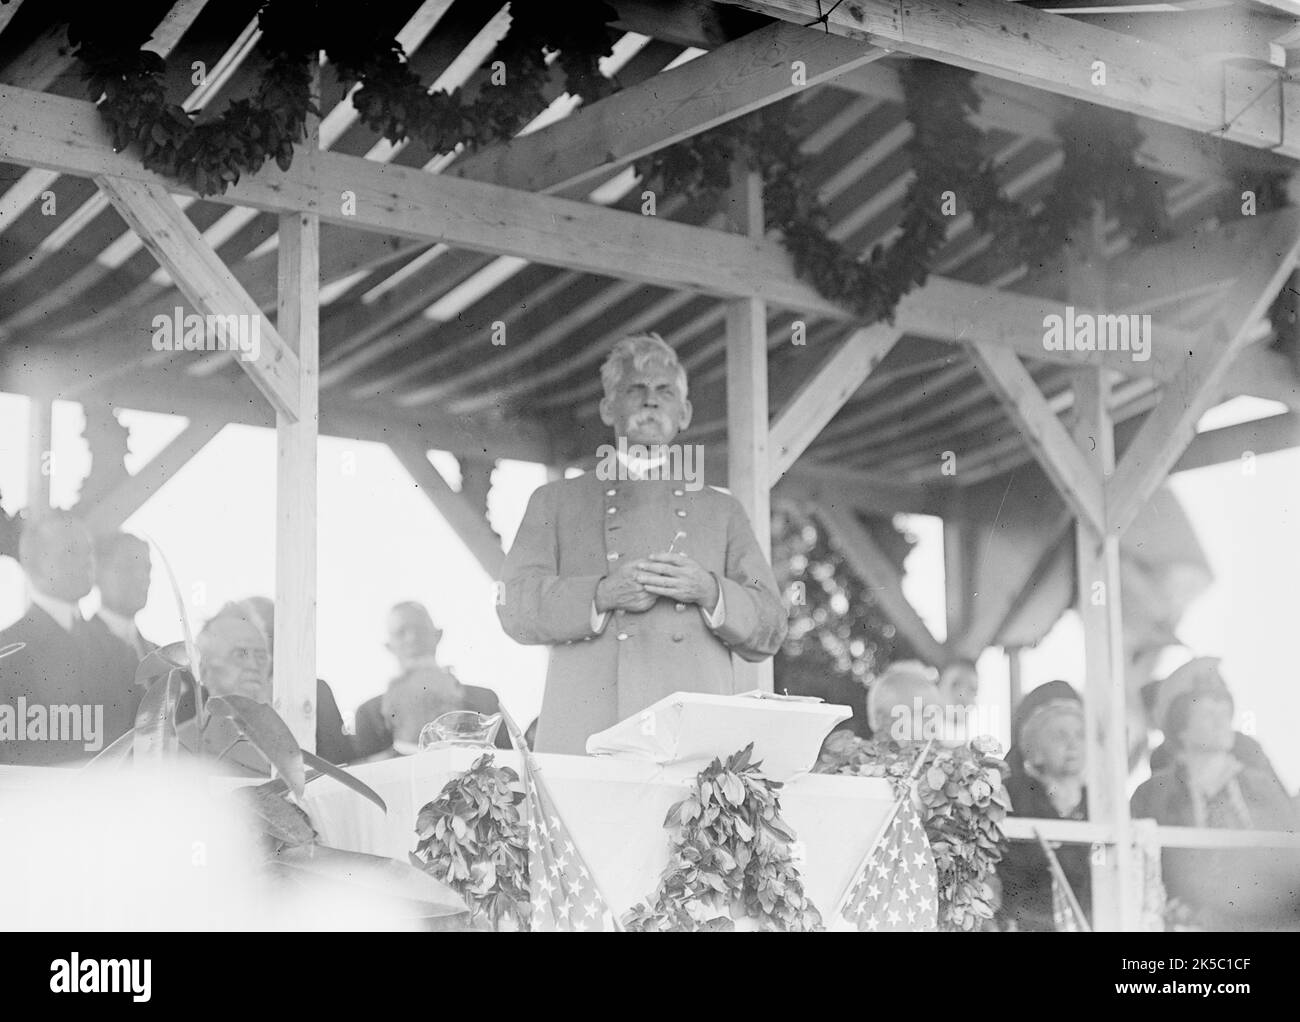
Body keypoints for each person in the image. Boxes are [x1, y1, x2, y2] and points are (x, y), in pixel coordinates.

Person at [497, 333, 787, 753]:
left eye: (664, 391)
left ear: (684, 413)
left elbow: (771, 626)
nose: (651, 401)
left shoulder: (721, 510)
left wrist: (710, 591)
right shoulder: (556, 501)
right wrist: (599, 595)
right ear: (607, 408)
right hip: (589, 729)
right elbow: (513, 604)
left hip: (691, 735)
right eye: (635, 389)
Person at [1132, 675, 1300, 929]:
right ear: (1182, 729)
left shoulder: (1261, 788)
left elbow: (1289, 860)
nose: (1222, 723)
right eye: (1209, 715)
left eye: (1225, 714)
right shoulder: (1153, 795)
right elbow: (1140, 871)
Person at [0, 512, 140, 764]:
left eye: (89, 552)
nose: (87, 562)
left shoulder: (119, 650)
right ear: (33, 562)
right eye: (71, 552)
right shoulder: (7, 652)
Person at [177, 604, 353, 765]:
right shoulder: (182, 746)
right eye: (241, 654)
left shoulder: (297, 724)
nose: (254, 665)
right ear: (204, 670)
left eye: (261, 656)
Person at [353, 602, 509, 758]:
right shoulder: (369, 714)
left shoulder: (484, 700)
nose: (412, 638)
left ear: (437, 635)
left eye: (420, 630)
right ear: (389, 646)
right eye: (401, 633)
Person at [997, 681, 1091, 932]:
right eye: (1060, 735)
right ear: (1034, 750)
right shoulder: (1015, 800)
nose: (1072, 744)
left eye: (1080, 735)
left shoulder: (1097, 802)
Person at [94, 531, 155, 662]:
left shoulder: (160, 659)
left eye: (147, 569)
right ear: (98, 572)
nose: (142, 577)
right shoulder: (79, 643)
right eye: (129, 566)